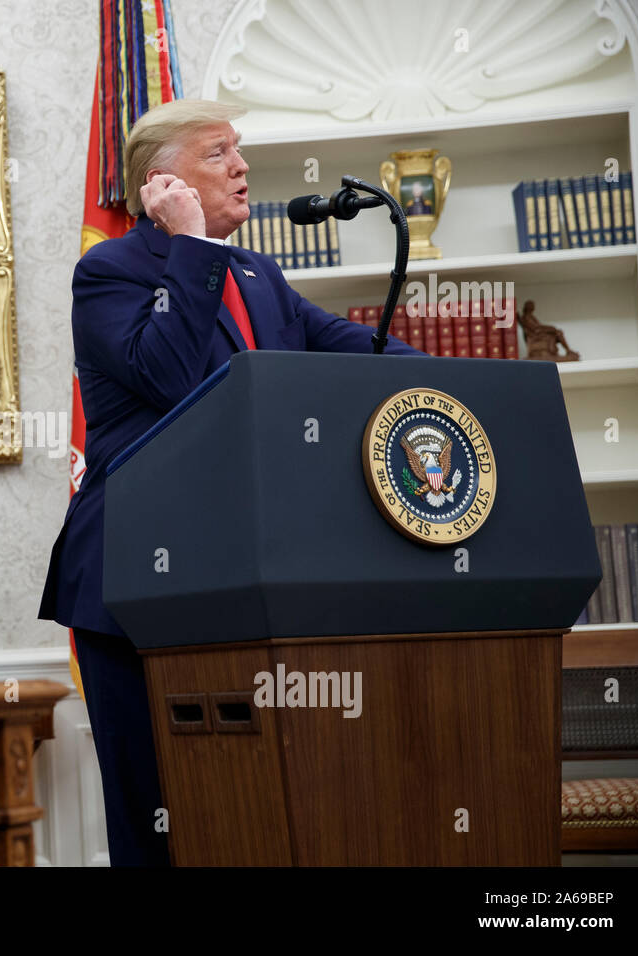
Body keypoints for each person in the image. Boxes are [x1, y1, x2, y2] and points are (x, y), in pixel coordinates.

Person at [39, 99, 422, 866]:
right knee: (156, 811)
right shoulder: (108, 271)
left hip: (248, 578)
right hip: (134, 580)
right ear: (163, 184)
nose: (243, 167)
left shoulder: (259, 271)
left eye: (239, 150)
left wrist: (461, 386)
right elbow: (171, 375)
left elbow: (352, 351)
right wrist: (188, 244)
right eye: (219, 154)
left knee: (248, 805)